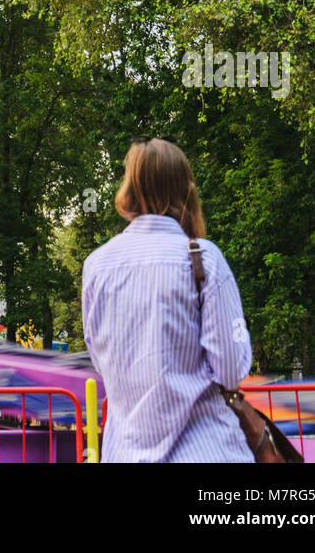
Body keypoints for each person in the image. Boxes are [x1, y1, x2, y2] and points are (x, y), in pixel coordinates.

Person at [81, 136, 254, 463]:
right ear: (183, 190)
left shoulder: (97, 265)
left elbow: (101, 358)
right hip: (207, 452)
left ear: (128, 188)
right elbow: (230, 370)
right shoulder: (204, 259)